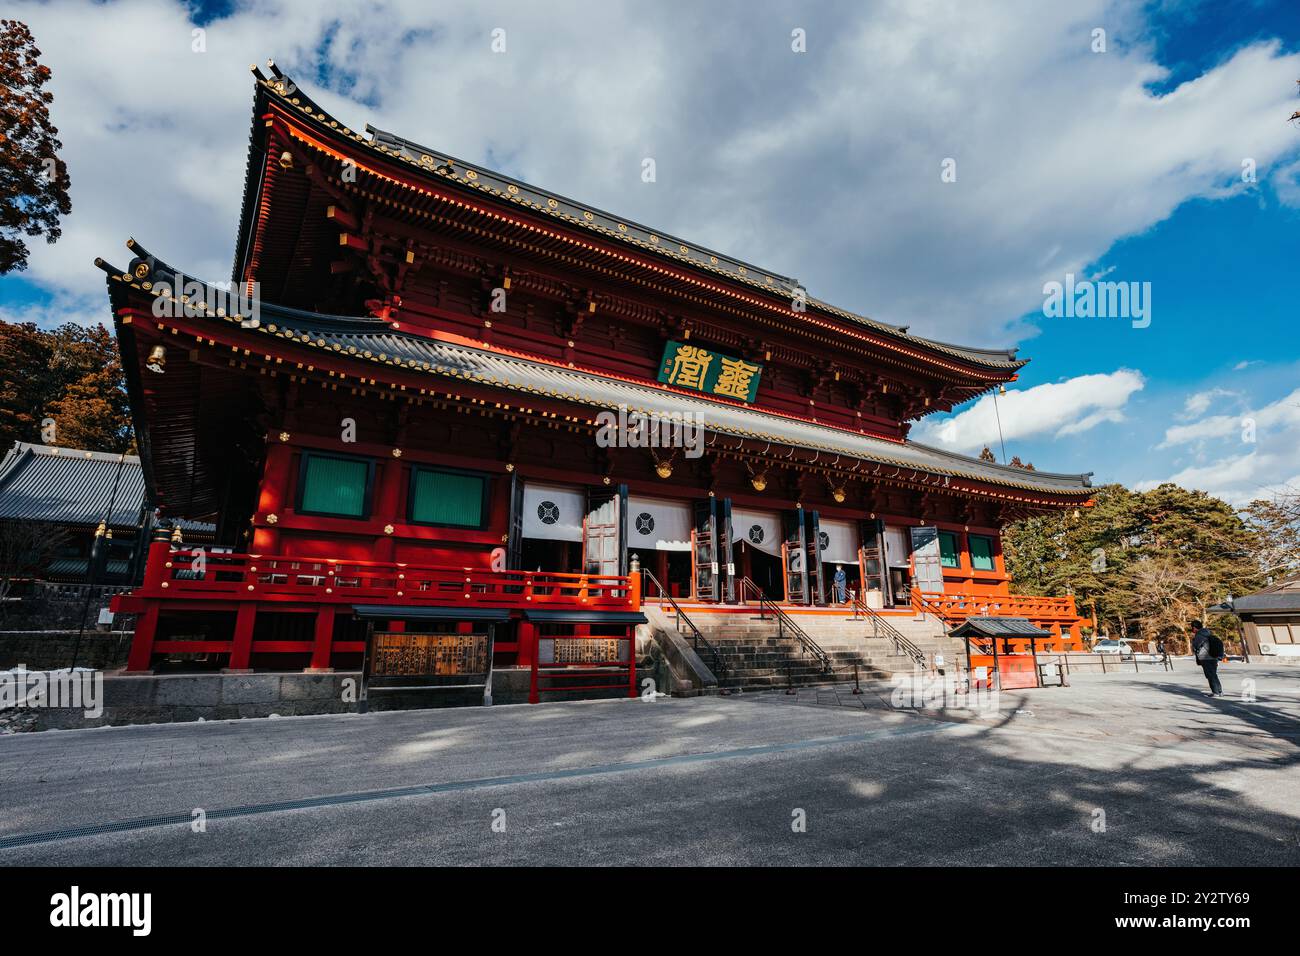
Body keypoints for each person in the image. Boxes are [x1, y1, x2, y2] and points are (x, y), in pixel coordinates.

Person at [1190, 620, 1224, 697]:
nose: (1192, 629)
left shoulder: (1199, 635)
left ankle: (1215, 692)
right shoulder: (1208, 632)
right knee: (1214, 674)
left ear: (1195, 628)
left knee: (1210, 675)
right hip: (1213, 656)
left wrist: (1194, 642)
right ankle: (1219, 691)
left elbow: (1195, 646)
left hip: (1205, 657)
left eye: (1192, 628)